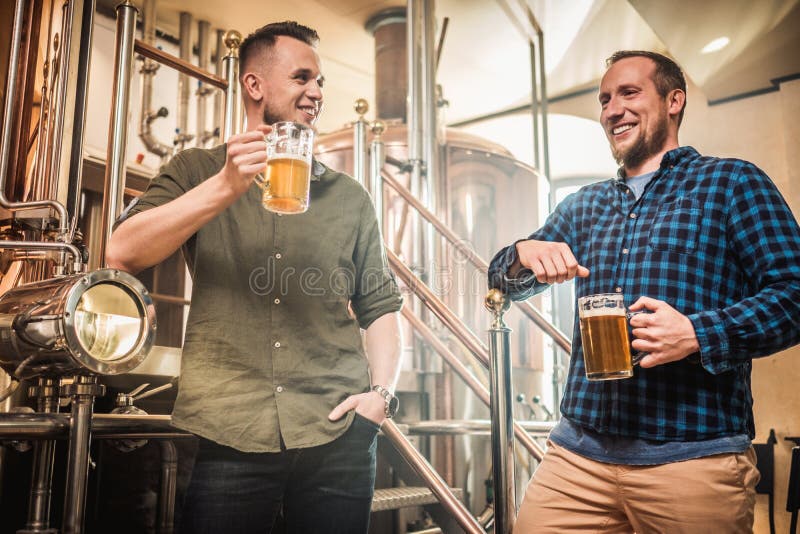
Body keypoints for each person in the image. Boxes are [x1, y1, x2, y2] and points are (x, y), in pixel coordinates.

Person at [106, 21, 403, 534]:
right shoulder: (197, 169)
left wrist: (380, 397)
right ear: (254, 85)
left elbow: (380, 308)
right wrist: (226, 185)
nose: (316, 93)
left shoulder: (350, 197)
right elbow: (123, 250)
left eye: (321, 82)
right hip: (230, 431)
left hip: (339, 434)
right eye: (302, 78)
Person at [488, 50, 800, 533]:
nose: (613, 109)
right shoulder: (583, 205)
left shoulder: (731, 182)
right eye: (605, 99)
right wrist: (521, 253)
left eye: (629, 93)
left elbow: (794, 294)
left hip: (692, 461)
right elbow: (502, 282)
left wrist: (699, 333)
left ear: (674, 100)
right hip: (577, 461)